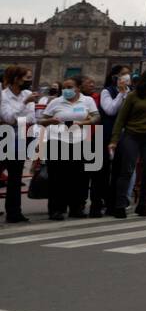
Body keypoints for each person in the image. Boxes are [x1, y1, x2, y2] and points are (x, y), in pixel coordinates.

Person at [38, 78, 100, 221]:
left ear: (78, 88)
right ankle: (56, 210)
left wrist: (84, 122)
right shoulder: (56, 102)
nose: (66, 90)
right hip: (58, 141)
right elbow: (41, 120)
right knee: (57, 178)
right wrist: (50, 121)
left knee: (78, 178)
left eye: (70, 87)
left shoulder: (87, 101)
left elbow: (96, 117)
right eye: (64, 87)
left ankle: (76, 208)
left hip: (79, 141)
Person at [110, 69, 146, 218]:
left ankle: (142, 204)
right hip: (131, 135)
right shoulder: (133, 96)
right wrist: (114, 140)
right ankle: (120, 205)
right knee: (127, 170)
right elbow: (121, 119)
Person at [91, 67, 130, 217]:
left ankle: (112, 204)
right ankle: (96, 205)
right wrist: (121, 94)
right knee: (100, 172)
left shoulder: (130, 92)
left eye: (127, 74)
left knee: (118, 172)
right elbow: (110, 110)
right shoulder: (107, 91)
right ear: (115, 77)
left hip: (122, 135)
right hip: (105, 134)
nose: (126, 77)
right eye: (122, 74)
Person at [1, 65, 37, 223]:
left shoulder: (28, 94)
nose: (29, 81)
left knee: (15, 178)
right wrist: (24, 104)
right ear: (16, 79)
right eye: (26, 78)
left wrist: (17, 118)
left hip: (20, 138)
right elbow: (8, 117)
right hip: (4, 139)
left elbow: (31, 118)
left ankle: (14, 213)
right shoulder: (3, 96)